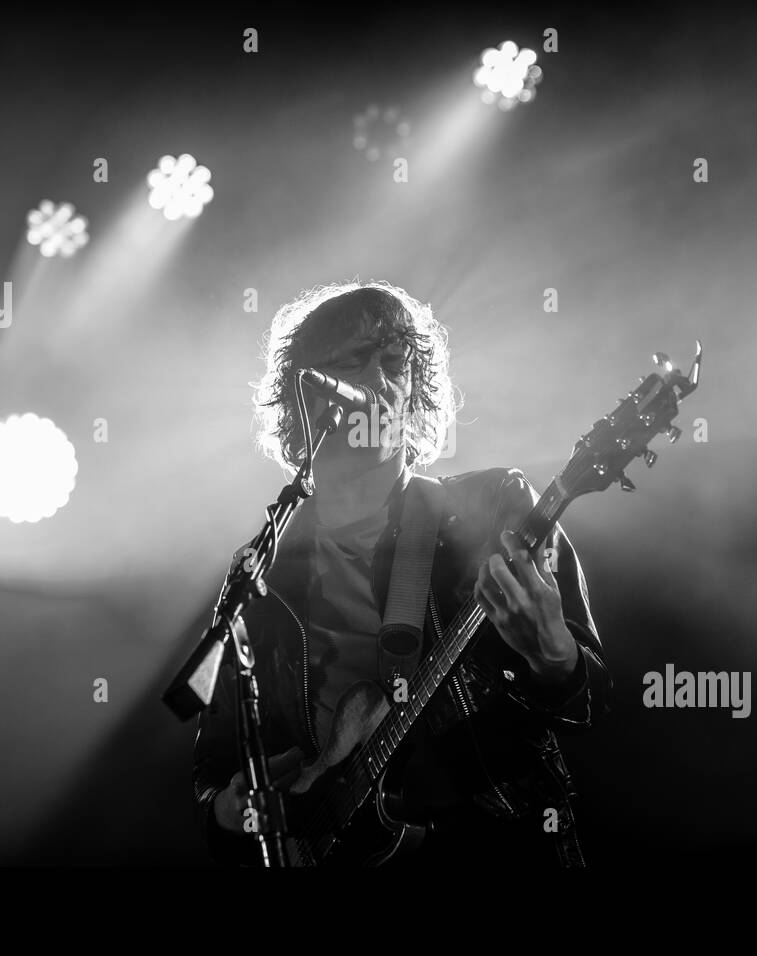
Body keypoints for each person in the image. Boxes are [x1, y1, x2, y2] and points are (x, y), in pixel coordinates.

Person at [192, 281, 610, 866]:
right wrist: (228, 811)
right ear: (307, 395)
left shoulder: (494, 510)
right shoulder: (263, 572)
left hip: (496, 848)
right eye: (353, 363)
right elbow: (211, 768)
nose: (380, 381)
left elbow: (597, 703)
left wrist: (555, 658)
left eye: (396, 362)